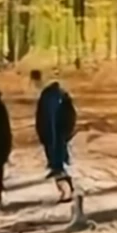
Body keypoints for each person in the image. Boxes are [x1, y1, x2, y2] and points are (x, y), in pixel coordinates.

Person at [31, 69, 77, 201]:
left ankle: (67, 192)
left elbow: (49, 120)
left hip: (55, 139)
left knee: (57, 167)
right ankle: (68, 190)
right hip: (58, 137)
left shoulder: (49, 96)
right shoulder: (58, 94)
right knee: (58, 166)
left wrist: (50, 142)